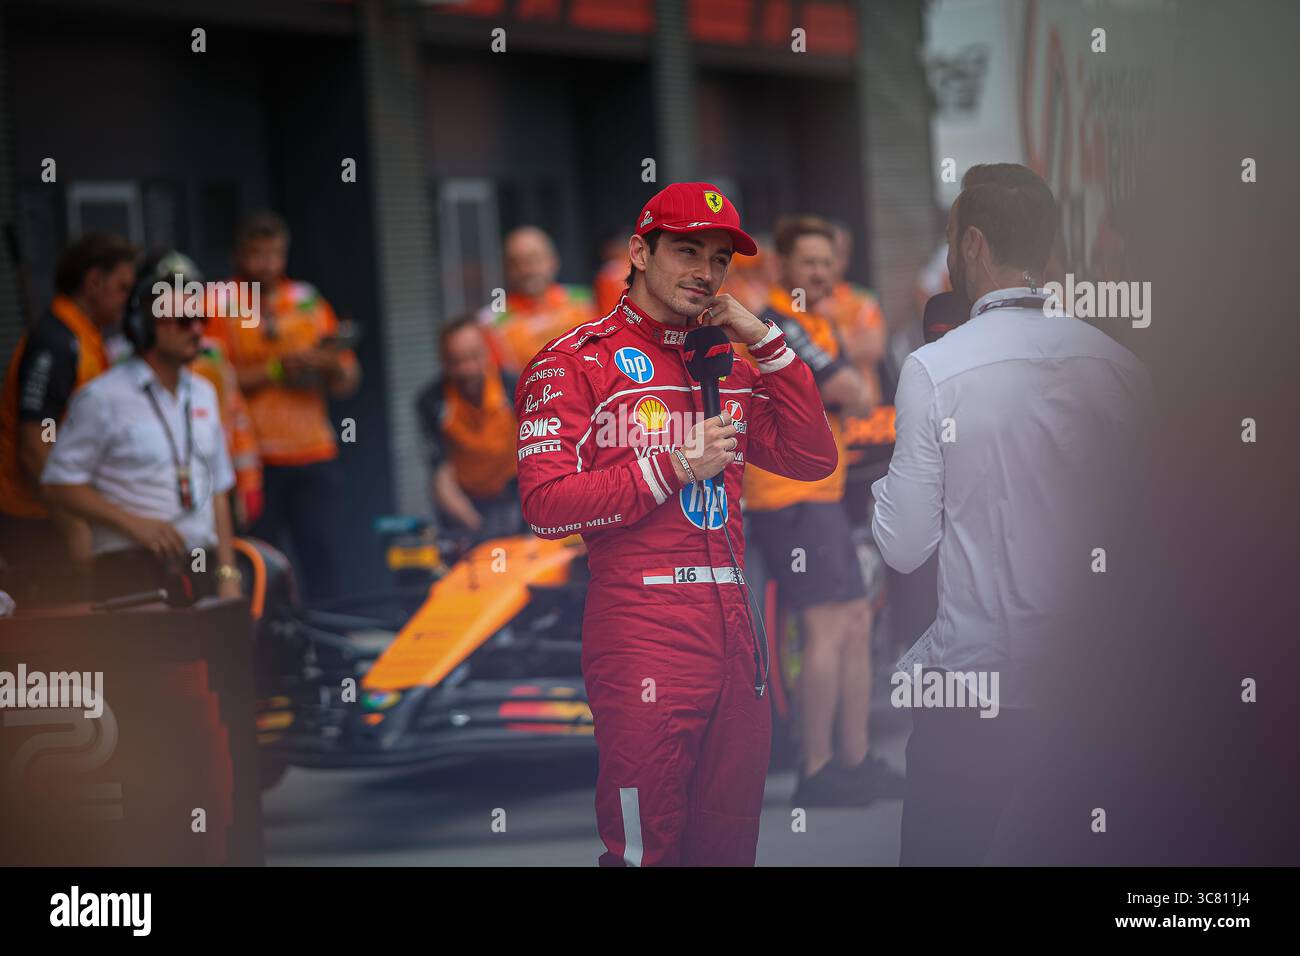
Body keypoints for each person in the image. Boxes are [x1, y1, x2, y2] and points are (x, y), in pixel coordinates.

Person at [515, 183, 837, 866]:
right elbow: (544, 506)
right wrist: (670, 468)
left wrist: (766, 340)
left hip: (734, 626)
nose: (705, 272)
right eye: (687, 250)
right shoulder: (574, 360)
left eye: (720, 259)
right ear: (639, 251)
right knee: (644, 852)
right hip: (642, 625)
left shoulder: (723, 359)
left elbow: (812, 457)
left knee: (726, 851)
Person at [871, 164, 1149, 865]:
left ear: (971, 246)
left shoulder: (933, 368)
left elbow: (902, 547)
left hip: (976, 683)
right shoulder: (1121, 365)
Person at [742, 215, 904, 806]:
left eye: (828, 261)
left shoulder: (814, 321)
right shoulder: (773, 320)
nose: (821, 271)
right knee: (827, 625)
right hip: (790, 497)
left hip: (820, 493)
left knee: (855, 621)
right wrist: (845, 376)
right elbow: (850, 390)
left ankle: (854, 759)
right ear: (782, 266)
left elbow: (861, 385)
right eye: (808, 261)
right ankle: (816, 770)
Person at [41, 251, 241, 602]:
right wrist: (134, 525)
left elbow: (219, 491)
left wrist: (228, 574)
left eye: (200, 319)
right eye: (182, 320)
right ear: (144, 326)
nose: (196, 330)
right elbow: (59, 483)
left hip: (202, 567)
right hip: (131, 570)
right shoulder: (102, 398)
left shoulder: (206, 393)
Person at [208, 211, 360, 600]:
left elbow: (348, 381)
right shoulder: (219, 302)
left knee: (324, 559)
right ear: (238, 255)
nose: (267, 265)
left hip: (314, 451)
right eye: (257, 255)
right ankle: (274, 655)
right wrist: (278, 369)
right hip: (255, 462)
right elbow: (214, 380)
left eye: (274, 255)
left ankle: (332, 654)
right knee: (264, 567)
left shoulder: (306, 299)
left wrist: (328, 365)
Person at [0, 233, 138, 601]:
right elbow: (37, 445)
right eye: (122, 288)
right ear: (94, 282)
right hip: (37, 522)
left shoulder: (85, 337)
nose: (127, 300)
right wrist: (74, 525)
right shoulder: (57, 341)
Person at [416, 316, 521, 541]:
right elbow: (441, 474)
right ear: (443, 361)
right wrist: (474, 525)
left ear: (486, 353)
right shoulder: (431, 401)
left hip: (516, 496)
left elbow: (541, 454)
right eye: (456, 361)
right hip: (465, 505)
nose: (466, 370)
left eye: (473, 357)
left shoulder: (515, 387)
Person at [477, 226, 594, 375]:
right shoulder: (492, 321)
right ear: (506, 269)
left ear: (553, 261)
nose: (527, 270)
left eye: (534, 259)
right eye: (516, 263)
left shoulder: (584, 301)